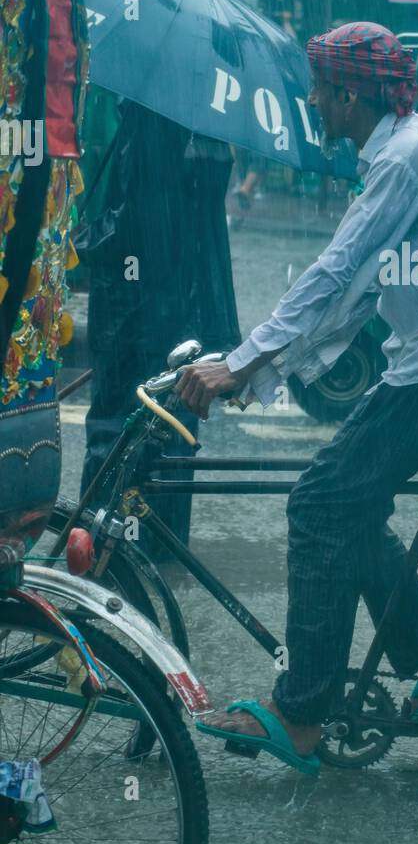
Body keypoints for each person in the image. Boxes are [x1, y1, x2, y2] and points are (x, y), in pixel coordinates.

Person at [178, 22, 418, 773]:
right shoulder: (406, 147)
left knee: (319, 505)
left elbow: (335, 272)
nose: (313, 99)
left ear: (352, 94)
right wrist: (263, 368)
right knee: (348, 507)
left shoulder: (403, 158)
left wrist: (241, 364)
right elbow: (358, 290)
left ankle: (302, 714)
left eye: (322, 89)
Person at [78, 102, 241, 555]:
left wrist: (81, 240)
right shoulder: (205, 124)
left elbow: (132, 221)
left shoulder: (150, 119)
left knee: (119, 428)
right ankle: (160, 547)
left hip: (133, 311)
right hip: (185, 304)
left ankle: (106, 551)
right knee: (169, 428)